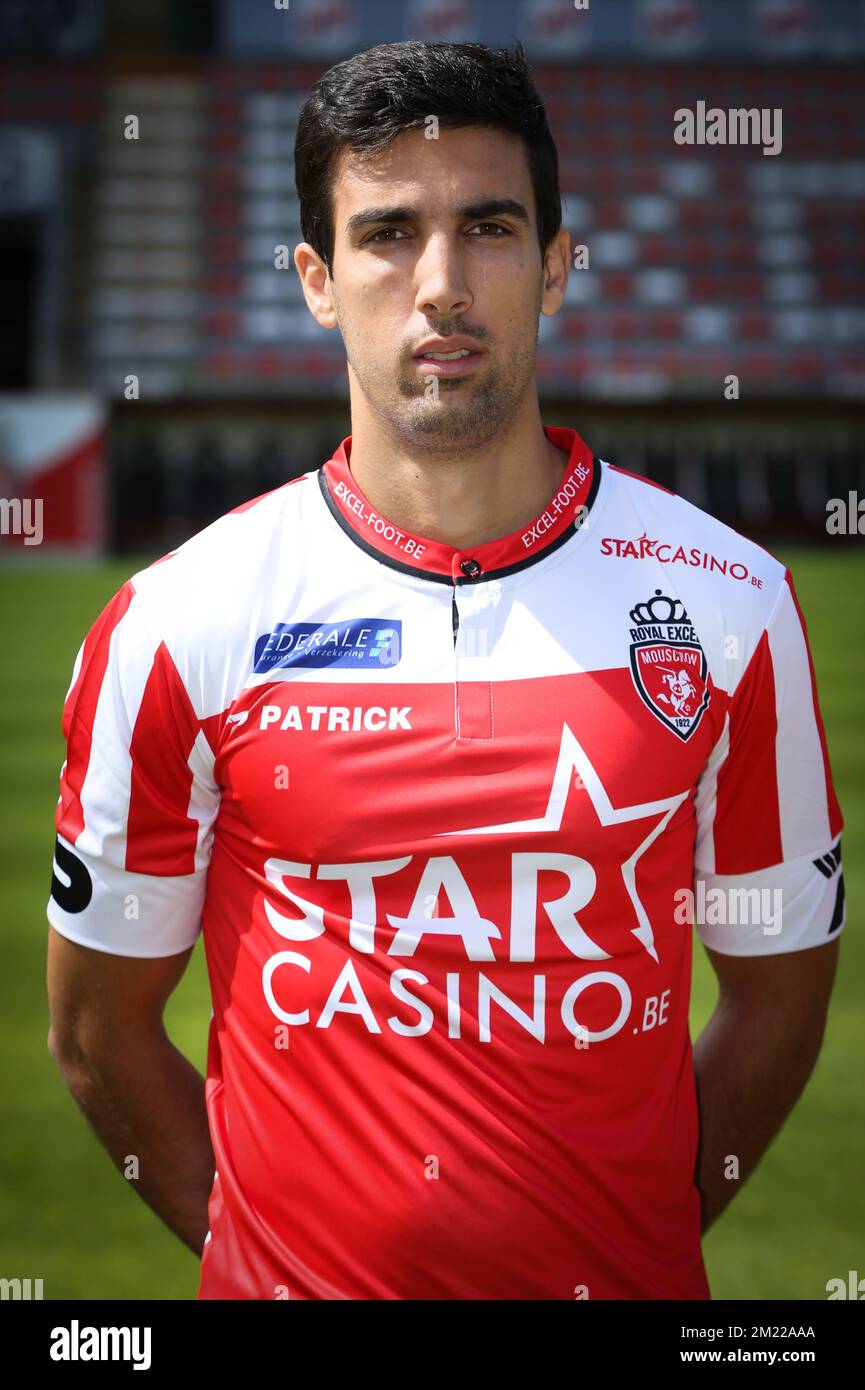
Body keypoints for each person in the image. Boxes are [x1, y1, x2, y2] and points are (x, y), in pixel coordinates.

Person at [46, 39, 845, 1301]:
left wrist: (629, 1241)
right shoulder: (175, 621)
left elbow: (779, 998)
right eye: (386, 234)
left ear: (556, 265)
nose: (440, 284)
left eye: (487, 228)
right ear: (315, 279)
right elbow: (97, 1035)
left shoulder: (728, 602)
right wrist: (266, 1264)